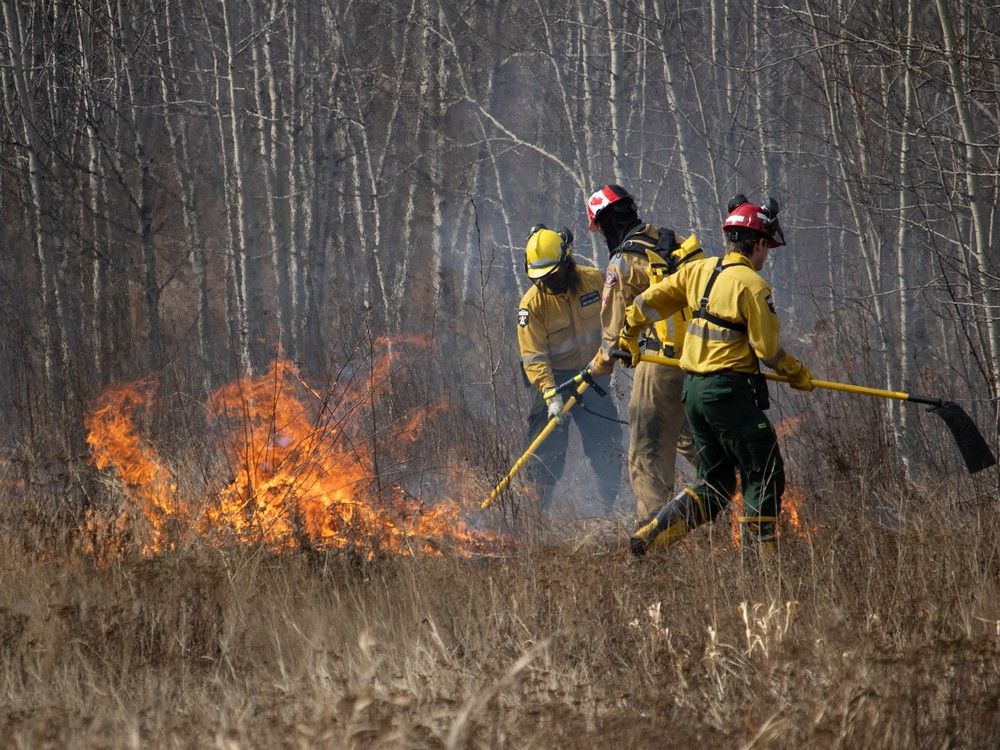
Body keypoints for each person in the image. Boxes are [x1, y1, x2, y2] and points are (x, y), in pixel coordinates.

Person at [618, 195, 814, 555]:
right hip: (727, 393)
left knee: (717, 482)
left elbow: (647, 302)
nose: (765, 256)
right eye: (766, 248)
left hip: (693, 393)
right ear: (757, 245)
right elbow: (768, 350)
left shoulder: (698, 270)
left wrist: (629, 333)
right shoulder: (752, 285)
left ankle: (652, 536)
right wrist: (797, 372)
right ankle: (761, 562)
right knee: (764, 467)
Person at [585, 185, 703, 524]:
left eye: (600, 228)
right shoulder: (675, 240)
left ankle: (654, 530)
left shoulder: (622, 262)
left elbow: (612, 337)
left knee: (647, 449)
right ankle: (734, 486)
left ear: (606, 223)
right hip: (702, 357)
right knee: (691, 436)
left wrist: (598, 365)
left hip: (661, 364)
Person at [517, 225, 624, 512]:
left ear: (567, 261)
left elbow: (618, 314)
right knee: (545, 454)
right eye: (540, 277)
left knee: (606, 442)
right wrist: (551, 395)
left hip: (592, 374)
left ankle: (610, 508)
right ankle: (536, 516)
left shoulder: (595, 280)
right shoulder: (532, 305)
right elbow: (533, 356)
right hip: (552, 382)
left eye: (553, 274)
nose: (547, 282)